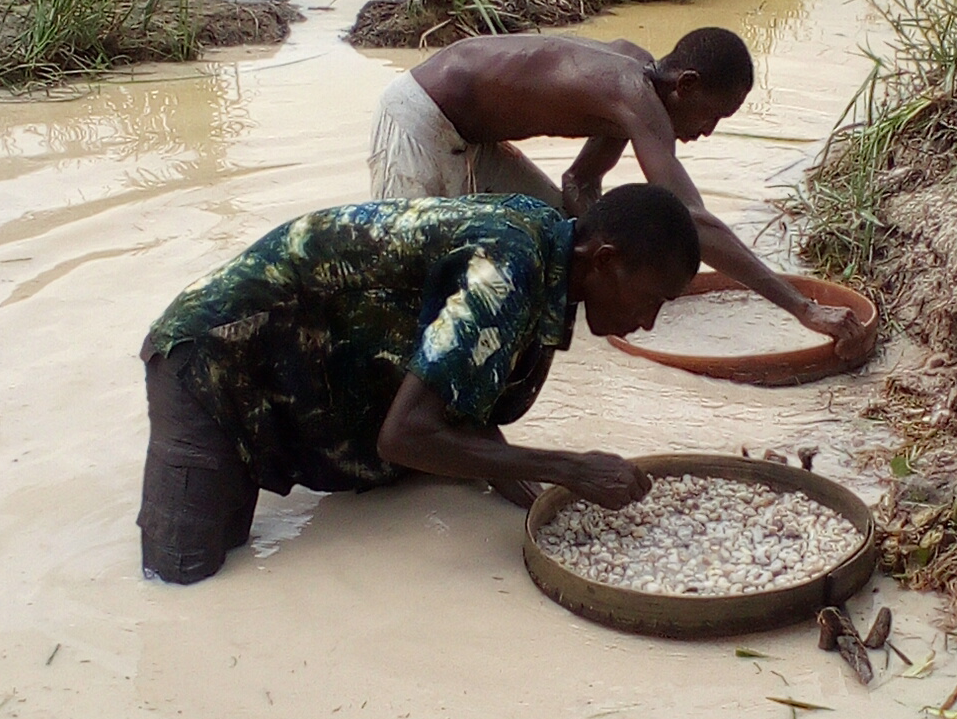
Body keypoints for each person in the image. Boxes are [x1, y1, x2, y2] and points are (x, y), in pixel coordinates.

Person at [137, 185, 699, 584]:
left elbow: (458, 389)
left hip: (294, 367)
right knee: (182, 581)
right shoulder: (508, 270)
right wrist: (568, 468)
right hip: (212, 358)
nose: (647, 323)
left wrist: (536, 495)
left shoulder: (545, 238)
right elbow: (404, 436)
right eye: (652, 300)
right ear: (603, 261)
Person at [366, 24, 874, 359]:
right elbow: (693, 219)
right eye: (712, 116)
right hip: (419, 119)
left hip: (475, 139)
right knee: (402, 287)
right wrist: (800, 306)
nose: (708, 132)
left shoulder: (636, 70)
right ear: (687, 85)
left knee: (555, 246)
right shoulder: (634, 96)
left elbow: (579, 183)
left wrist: (629, 282)